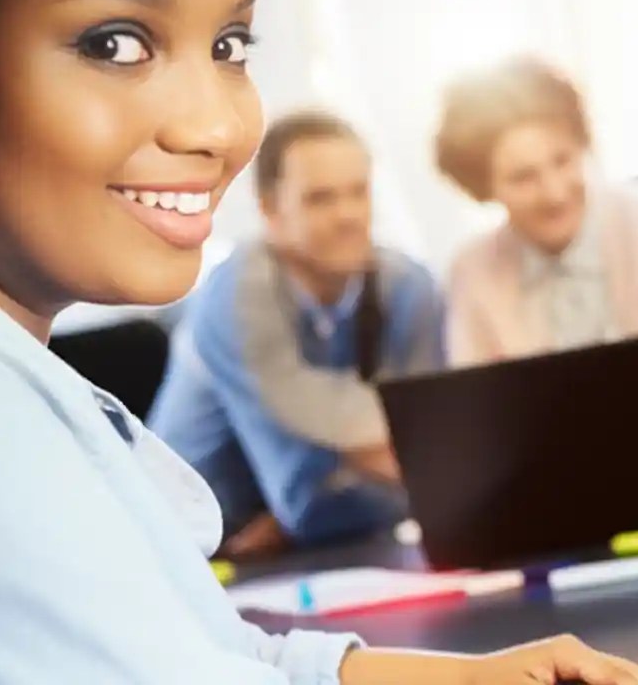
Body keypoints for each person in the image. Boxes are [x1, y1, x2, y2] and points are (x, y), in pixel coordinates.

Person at [0, 0, 638, 682]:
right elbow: (351, 485)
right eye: (114, 44)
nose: (220, 126)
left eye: (231, 46)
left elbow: (227, 657)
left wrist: (470, 677)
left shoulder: (404, 284)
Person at [148, 111, 442, 561]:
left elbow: (429, 441)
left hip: (317, 552)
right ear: (270, 210)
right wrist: (396, 462)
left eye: (358, 193)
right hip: (199, 552)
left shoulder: (408, 286)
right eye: (320, 199)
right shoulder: (235, 298)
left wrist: (385, 460)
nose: (348, 215)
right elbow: (308, 504)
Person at [436, 55, 638, 451]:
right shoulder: (471, 272)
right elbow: (481, 422)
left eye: (563, 160)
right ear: (483, 185)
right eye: (523, 178)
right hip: (545, 489)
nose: (554, 192)